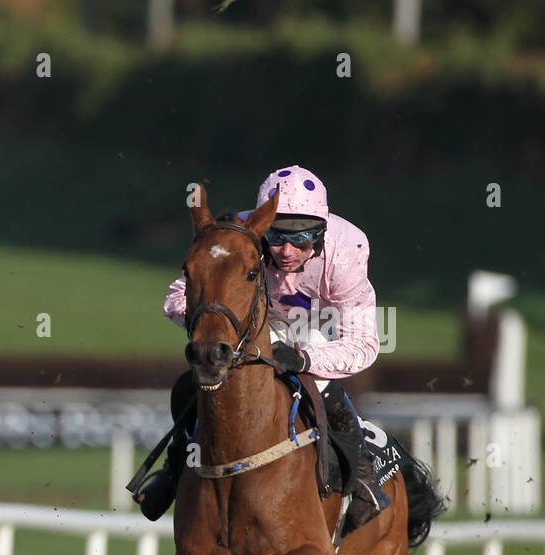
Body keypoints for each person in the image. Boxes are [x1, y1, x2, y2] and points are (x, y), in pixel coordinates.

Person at [135, 165, 390, 530]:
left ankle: (361, 473)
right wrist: (215, 326)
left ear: (321, 233)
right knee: (195, 382)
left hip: (320, 324)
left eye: (302, 239)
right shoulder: (237, 235)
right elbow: (176, 298)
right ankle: (175, 466)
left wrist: (305, 357)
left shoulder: (347, 248)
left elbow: (364, 343)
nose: (287, 251)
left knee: (321, 383)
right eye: (276, 236)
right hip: (250, 325)